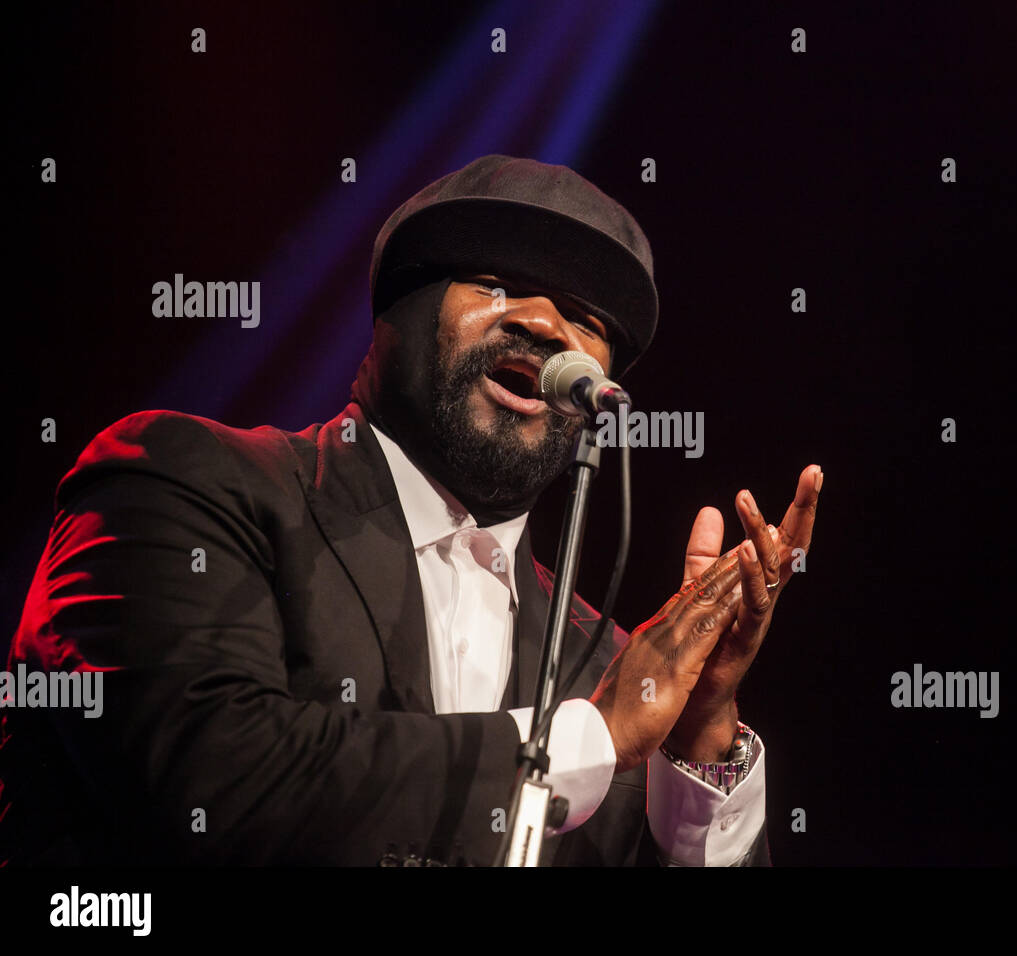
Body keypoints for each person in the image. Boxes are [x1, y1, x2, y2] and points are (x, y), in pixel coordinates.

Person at [2, 154, 821, 866]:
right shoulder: (181, 482)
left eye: (586, 318)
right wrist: (590, 738)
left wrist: (703, 744)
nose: (543, 323)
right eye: (497, 283)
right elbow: (209, 785)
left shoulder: (605, 658)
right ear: (394, 321)